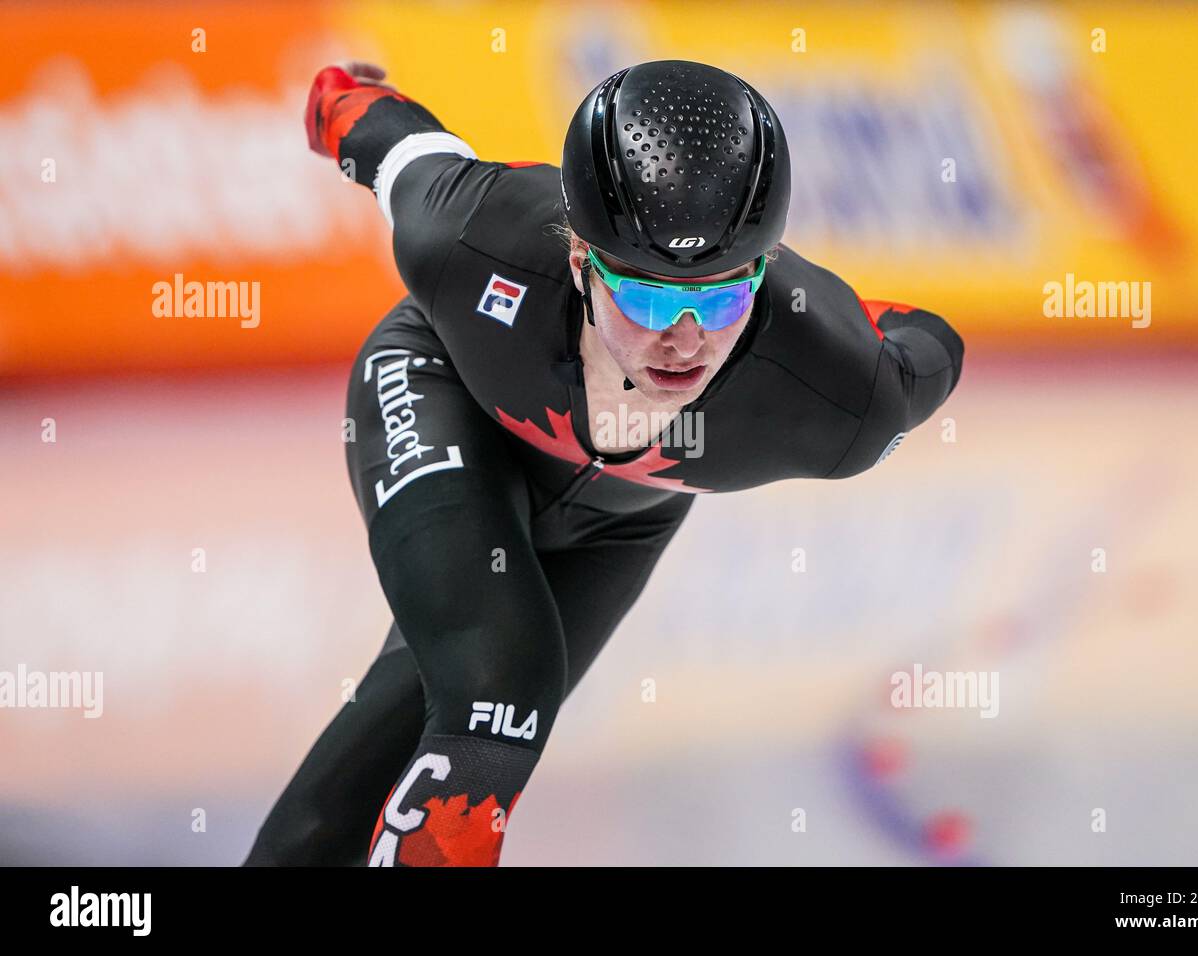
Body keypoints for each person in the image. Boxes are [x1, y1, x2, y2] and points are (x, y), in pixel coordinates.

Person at [243, 59, 964, 867]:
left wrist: (858, 324)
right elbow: (397, 146)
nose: (685, 341)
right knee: (498, 691)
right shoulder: (472, 238)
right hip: (442, 391)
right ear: (582, 261)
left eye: (723, 299)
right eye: (652, 299)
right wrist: (338, 96)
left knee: (437, 718)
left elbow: (931, 346)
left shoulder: (840, 400)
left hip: (623, 518)